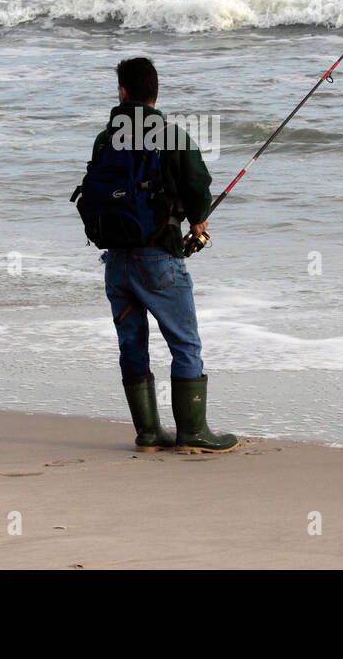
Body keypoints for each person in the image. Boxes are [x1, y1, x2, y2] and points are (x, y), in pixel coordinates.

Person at [89, 57, 238, 454]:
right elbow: (197, 183)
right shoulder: (170, 135)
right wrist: (199, 221)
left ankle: (149, 434)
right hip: (159, 258)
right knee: (185, 343)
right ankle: (193, 431)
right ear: (155, 94)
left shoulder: (106, 140)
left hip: (116, 261)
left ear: (122, 92)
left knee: (131, 344)